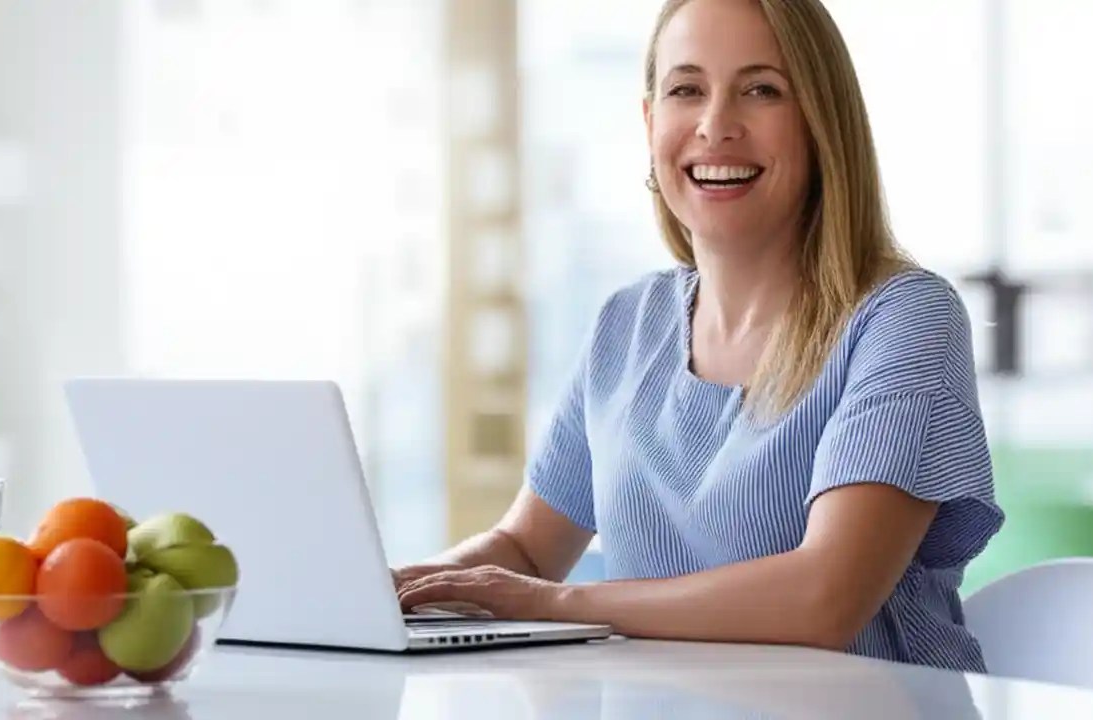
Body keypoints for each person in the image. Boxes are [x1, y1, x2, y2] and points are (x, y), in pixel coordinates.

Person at [394, 0, 1004, 673]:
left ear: (821, 123)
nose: (716, 126)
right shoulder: (627, 325)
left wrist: (558, 602)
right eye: (687, 90)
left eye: (761, 90)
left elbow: (823, 599)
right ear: (652, 121)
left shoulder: (904, 320)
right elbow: (527, 550)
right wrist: (394, 589)